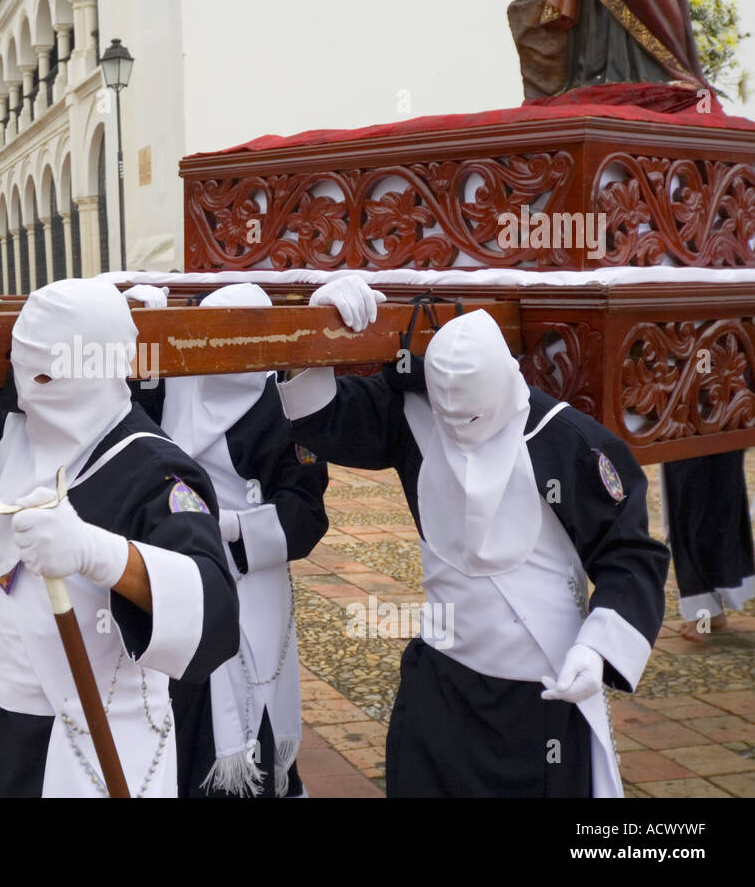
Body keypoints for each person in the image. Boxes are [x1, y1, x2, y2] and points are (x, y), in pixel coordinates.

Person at [281, 279, 669, 797]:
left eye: (474, 418)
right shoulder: (416, 414)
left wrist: (598, 648)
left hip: (543, 689)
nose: (460, 432)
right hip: (442, 683)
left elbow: (632, 557)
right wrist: (319, 331)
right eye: (449, 416)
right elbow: (320, 417)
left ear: (509, 381)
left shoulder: (569, 442)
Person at [0, 278, 240, 797]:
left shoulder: (155, 469)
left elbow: (211, 603)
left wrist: (100, 554)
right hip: (1, 724)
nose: (32, 386)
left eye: (49, 371)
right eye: (22, 365)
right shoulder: (10, 434)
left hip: (96, 740)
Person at [123, 281, 329, 798]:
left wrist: (233, 530)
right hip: (176, 578)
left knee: (251, 710)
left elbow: (306, 512)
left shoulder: (285, 405)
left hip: (253, 587)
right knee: (175, 707)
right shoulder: (168, 384)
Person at [660, 452, 754, 640]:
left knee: (698, 517)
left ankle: (705, 619)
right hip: (694, 434)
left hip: (715, 433)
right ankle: (707, 617)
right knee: (690, 516)